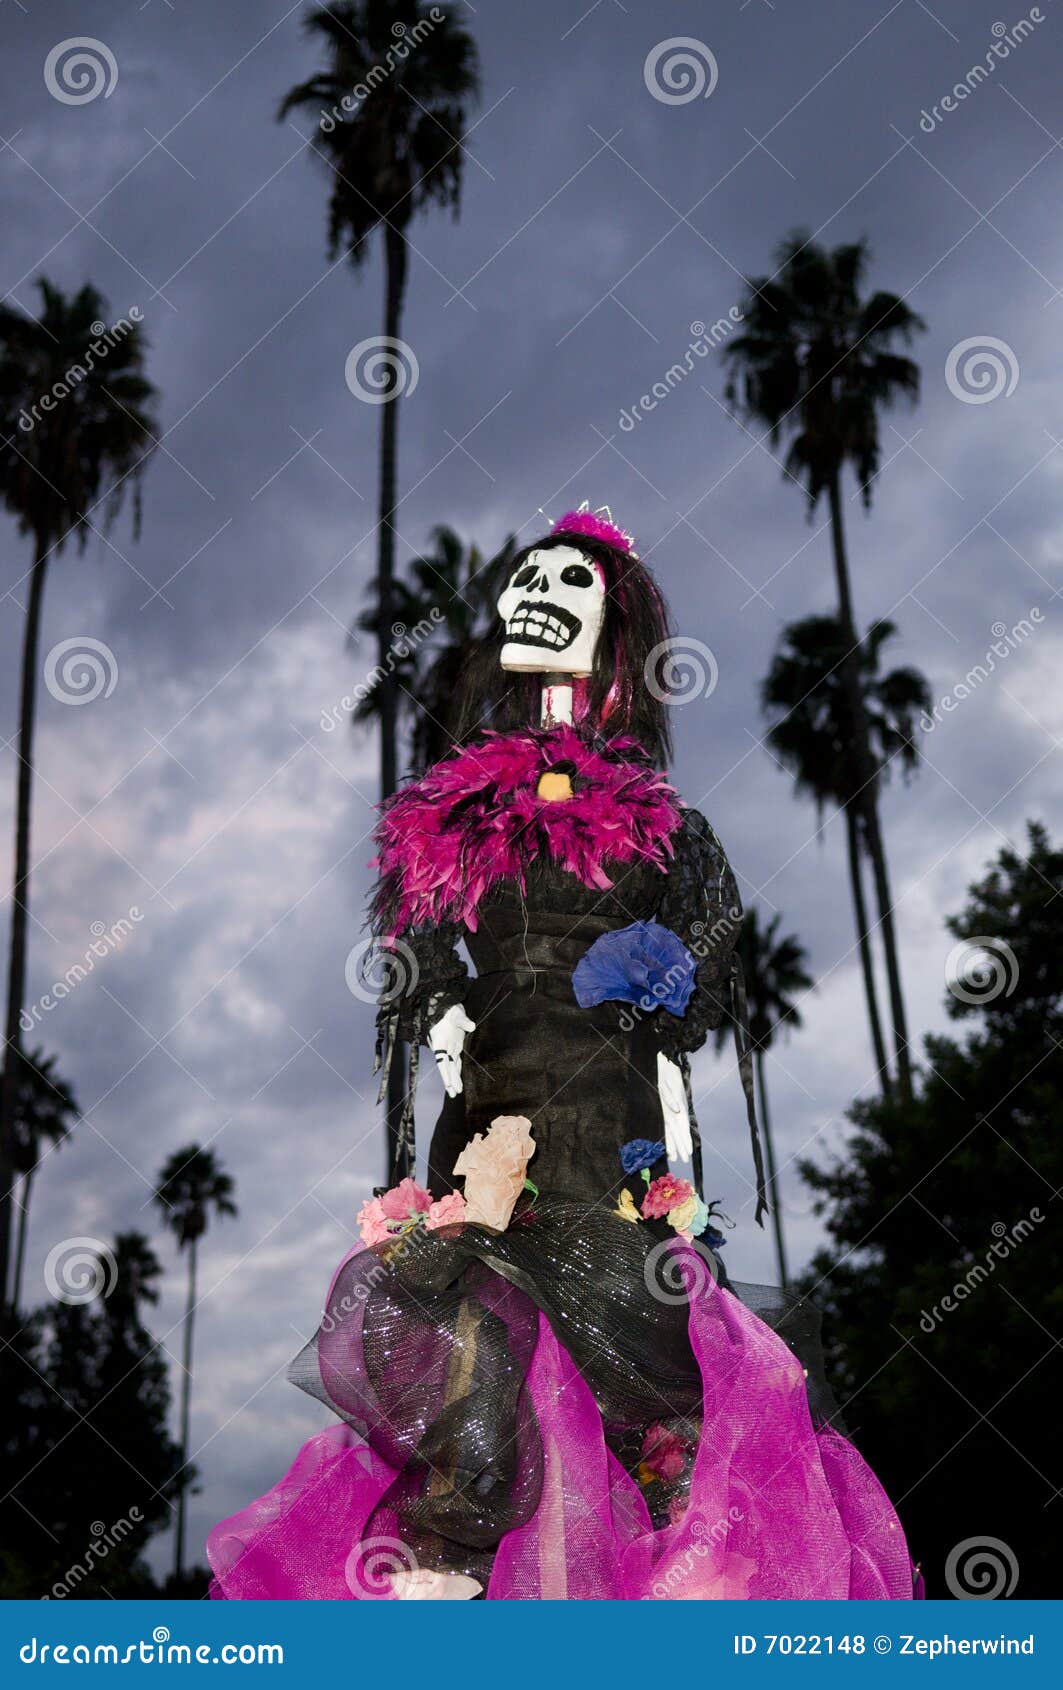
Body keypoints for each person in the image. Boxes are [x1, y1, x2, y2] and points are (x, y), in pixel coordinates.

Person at [208, 507, 916, 1601]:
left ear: (612, 630)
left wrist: (660, 972)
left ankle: (666, 1586)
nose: (537, 591)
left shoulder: (666, 827)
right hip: (491, 1119)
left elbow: (707, 979)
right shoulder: (445, 816)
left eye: (569, 583)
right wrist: (442, 1007)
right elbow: (412, 960)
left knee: (640, 1365)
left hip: (615, 1125)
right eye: (527, 576)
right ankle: (462, 1563)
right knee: (478, 1338)